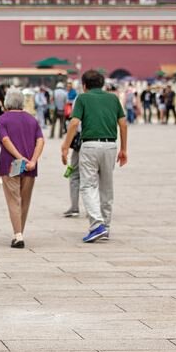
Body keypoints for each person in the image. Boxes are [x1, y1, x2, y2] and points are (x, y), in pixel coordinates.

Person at [61, 69, 128, 243]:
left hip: (90, 145)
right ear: (102, 84)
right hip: (111, 145)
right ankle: (105, 226)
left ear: (84, 85)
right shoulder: (113, 98)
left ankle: (97, 224)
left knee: (88, 186)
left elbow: (74, 122)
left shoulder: (82, 98)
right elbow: (123, 124)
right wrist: (124, 149)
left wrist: (65, 146)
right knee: (106, 187)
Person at [0, 89, 45, 249]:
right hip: (30, 166)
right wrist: (32, 160)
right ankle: (19, 233)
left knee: (13, 200)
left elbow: (5, 139)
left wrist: (19, 157)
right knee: (25, 201)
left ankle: (18, 235)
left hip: (10, 164)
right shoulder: (32, 119)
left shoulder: (3, 119)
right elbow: (40, 141)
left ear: (7, 102)